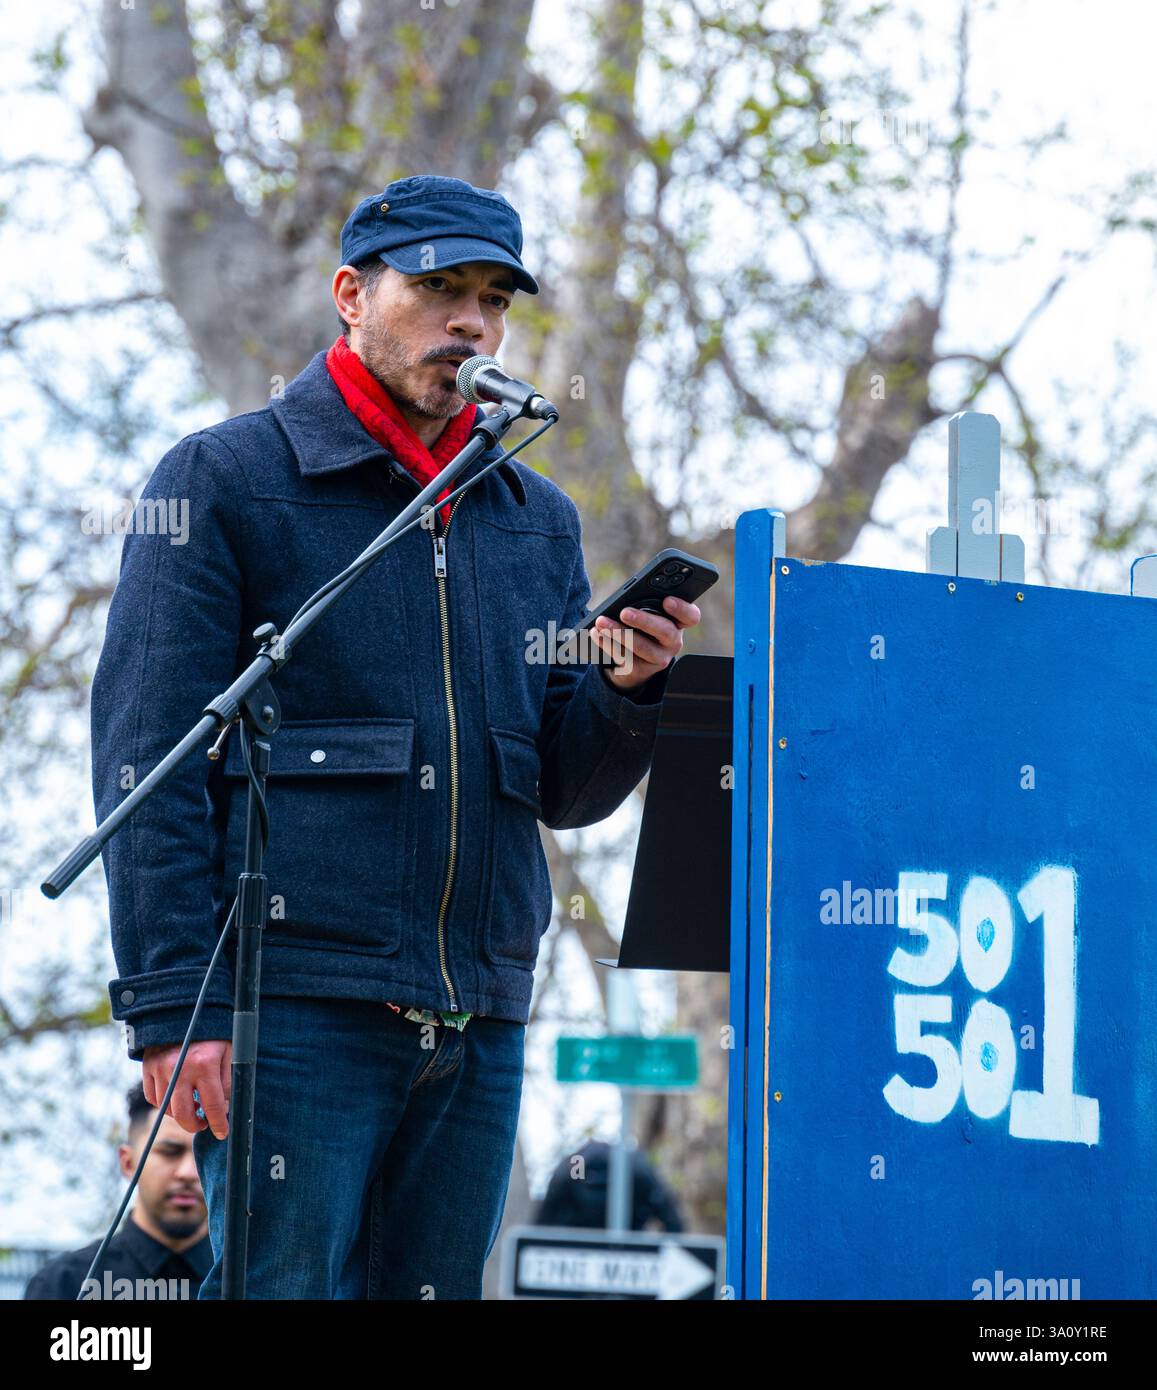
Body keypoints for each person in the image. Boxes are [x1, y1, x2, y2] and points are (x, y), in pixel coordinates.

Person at [91, 172, 701, 1299]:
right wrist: (175, 1007)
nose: (471, 321)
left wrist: (626, 688)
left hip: (478, 1016)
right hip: (291, 1015)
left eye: (493, 300)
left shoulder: (538, 521)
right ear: (350, 296)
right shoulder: (223, 481)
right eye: (437, 289)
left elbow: (560, 787)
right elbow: (146, 762)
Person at [24, 1082, 210, 1300]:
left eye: (205, 1155)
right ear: (128, 1162)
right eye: (170, 1152)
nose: (189, 1173)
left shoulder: (252, 1281)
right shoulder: (64, 1284)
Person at [536, 1139, 684, 1233]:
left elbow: (673, 1221)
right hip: (578, 1246)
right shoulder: (569, 1172)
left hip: (627, 1241)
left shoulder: (637, 1170)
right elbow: (541, 1227)